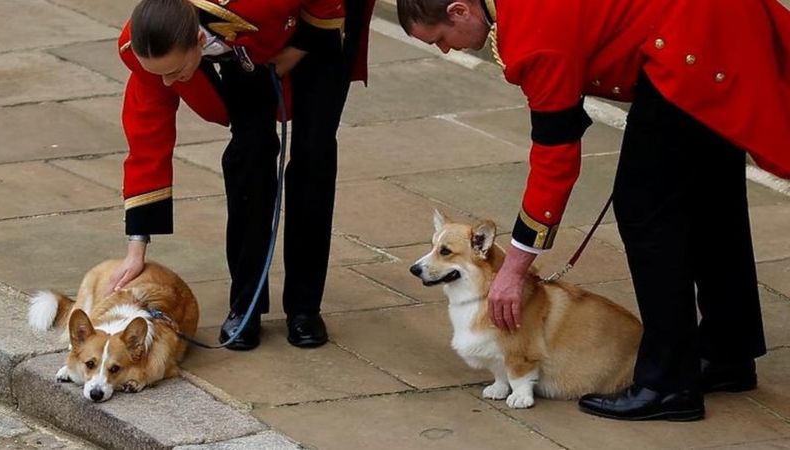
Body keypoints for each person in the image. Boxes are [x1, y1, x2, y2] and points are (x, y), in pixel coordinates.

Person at [397, 0, 790, 421]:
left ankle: (667, 384)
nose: (444, 51)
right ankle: (726, 353)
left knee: (648, 212)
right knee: (710, 199)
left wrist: (512, 270)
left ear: (459, 11)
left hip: (692, 40)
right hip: (711, 23)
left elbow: (555, 158)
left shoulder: (532, 38)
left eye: (440, 39)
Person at [108, 0, 376, 351]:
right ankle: (246, 304)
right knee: (250, 154)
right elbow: (147, 141)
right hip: (244, 40)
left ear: (198, 42)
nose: (168, 82)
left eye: (174, 71)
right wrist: (136, 248)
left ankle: (305, 307)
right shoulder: (148, 42)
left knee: (314, 153)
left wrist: (295, 51)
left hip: (324, 19)